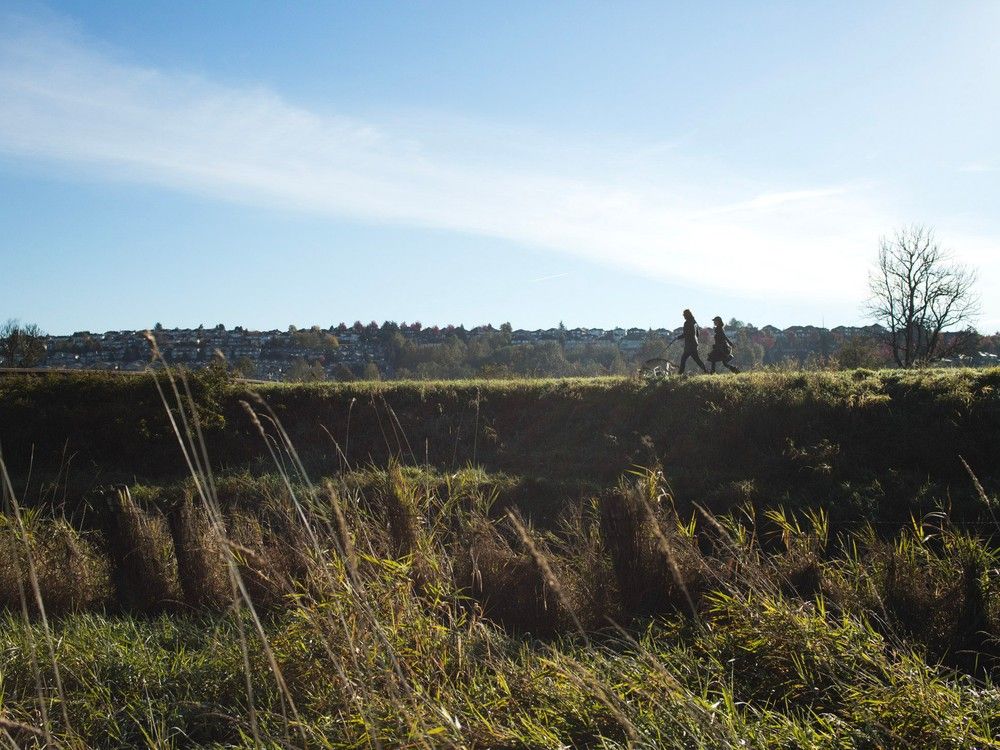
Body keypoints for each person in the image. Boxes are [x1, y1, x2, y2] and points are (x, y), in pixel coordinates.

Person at [674, 309, 707, 374]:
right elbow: (697, 333)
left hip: (689, 345)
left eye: (684, 315)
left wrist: (678, 337)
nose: (683, 316)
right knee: (697, 360)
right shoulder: (694, 322)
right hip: (694, 344)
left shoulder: (687, 323)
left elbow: (686, 334)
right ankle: (706, 371)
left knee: (683, 359)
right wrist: (696, 341)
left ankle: (679, 374)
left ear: (686, 315)